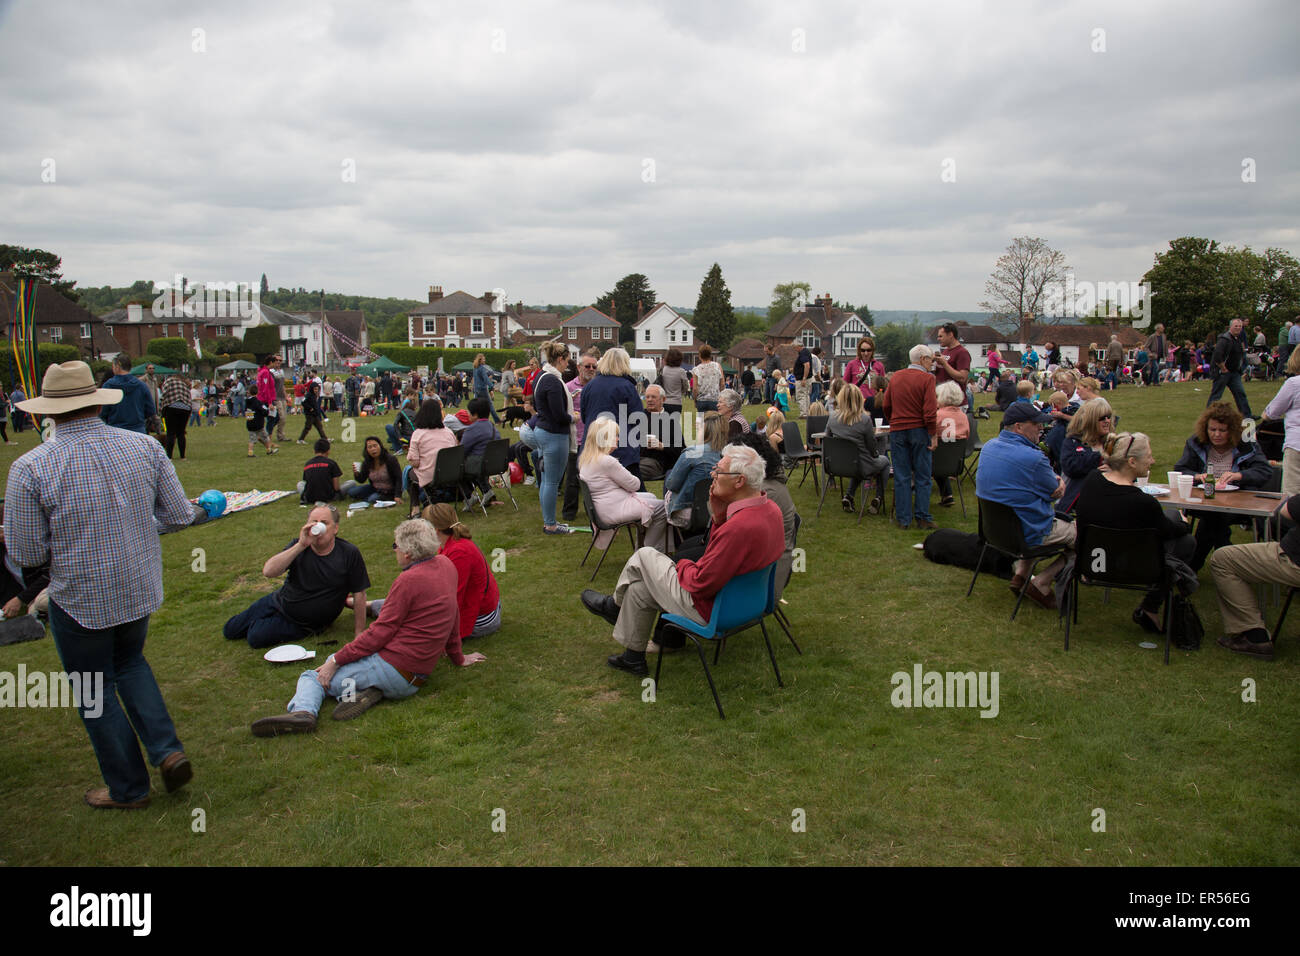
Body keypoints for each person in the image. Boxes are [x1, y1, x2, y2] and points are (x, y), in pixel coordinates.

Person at [5, 361, 196, 809]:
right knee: (129, 663)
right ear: (96, 400)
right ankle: (167, 751)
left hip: (80, 595)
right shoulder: (144, 447)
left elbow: (27, 553)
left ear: (50, 411)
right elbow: (177, 516)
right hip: (136, 584)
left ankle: (129, 788)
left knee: (94, 688)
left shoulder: (31, 466)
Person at [250, 519, 483, 734]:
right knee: (351, 667)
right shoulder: (445, 564)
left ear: (409, 553)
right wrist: (458, 657)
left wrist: (335, 661)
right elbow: (453, 614)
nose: (394, 550)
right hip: (418, 675)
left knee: (314, 676)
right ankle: (367, 691)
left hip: (396, 669)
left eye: (396, 545)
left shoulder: (408, 580)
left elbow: (379, 633)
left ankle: (303, 713)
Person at [580, 443, 785, 676]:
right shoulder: (770, 509)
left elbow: (700, 582)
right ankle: (633, 657)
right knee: (640, 588)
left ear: (739, 481)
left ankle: (614, 606)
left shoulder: (739, 527)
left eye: (718, 471)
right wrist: (718, 517)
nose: (712, 475)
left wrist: (682, 565)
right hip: (746, 604)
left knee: (645, 555)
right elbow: (719, 557)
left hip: (711, 610)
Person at [1074, 432, 1195, 633]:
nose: (1153, 461)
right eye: (1148, 456)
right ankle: (1150, 607)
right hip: (1136, 569)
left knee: (1171, 517)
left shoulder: (1092, 481)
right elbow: (1168, 532)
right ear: (1131, 461)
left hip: (1092, 564)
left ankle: (1150, 609)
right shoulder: (1144, 503)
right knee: (1186, 540)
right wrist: (1184, 523)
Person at [974, 401, 1075, 610]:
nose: (1041, 427)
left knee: (1028, 511)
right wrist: (1059, 480)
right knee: (1083, 534)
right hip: (1026, 533)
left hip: (995, 533)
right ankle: (1042, 581)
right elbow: (1054, 492)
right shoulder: (1034, 458)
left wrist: (1053, 481)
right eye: (1036, 423)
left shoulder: (989, 447)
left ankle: (1020, 576)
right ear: (1019, 427)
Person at [224, 504, 370, 649]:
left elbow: (359, 594)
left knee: (255, 637)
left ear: (335, 528)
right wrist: (301, 545)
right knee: (230, 629)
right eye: (313, 522)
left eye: (324, 523)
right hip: (279, 601)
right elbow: (268, 571)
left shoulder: (348, 553)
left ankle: (265, 622)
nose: (318, 526)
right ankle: (264, 619)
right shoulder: (299, 546)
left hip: (304, 623)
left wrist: (359, 632)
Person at [1174, 401, 1272, 570]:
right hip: (1203, 499)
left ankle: (1193, 566)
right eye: (1212, 430)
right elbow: (1180, 470)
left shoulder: (1246, 445)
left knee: (1212, 519)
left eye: (1222, 430)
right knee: (1213, 517)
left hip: (1236, 502)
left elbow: (1264, 471)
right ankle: (1229, 563)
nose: (1216, 434)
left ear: (1232, 430)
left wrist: (1239, 476)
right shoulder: (1195, 443)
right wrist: (1198, 477)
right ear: (1205, 429)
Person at [579, 418, 669, 551]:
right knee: (663, 507)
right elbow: (634, 484)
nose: (617, 439)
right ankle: (648, 550)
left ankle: (645, 546)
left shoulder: (587, 459)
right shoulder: (606, 461)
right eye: (615, 435)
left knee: (651, 497)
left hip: (602, 508)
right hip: (611, 509)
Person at [881, 345, 938, 530]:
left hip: (898, 429)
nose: (932, 362)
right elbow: (930, 411)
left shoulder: (896, 376)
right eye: (930, 359)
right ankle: (922, 517)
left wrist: (894, 421)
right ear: (922, 359)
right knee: (922, 475)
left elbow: (886, 404)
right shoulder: (928, 379)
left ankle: (903, 519)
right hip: (919, 429)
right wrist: (933, 434)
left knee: (902, 475)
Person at [580, 347, 644, 482]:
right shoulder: (627, 387)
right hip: (621, 449)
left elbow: (585, 417)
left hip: (592, 448)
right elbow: (638, 420)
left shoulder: (589, 386)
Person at [534, 342, 577, 534]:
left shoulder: (542, 376)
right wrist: (573, 417)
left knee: (546, 480)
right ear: (560, 359)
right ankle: (550, 524)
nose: (567, 365)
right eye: (566, 360)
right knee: (551, 481)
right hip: (554, 434)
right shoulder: (552, 380)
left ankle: (548, 520)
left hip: (544, 431)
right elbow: (558, 414)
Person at [826, 382, 889, 514]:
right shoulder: (864, 420)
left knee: (858, 461)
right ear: (859, 399)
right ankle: (878, 498)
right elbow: (872, 447)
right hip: (860, 464)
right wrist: (876, 454)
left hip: (838, 465)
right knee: (885, 462)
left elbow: (828, 440)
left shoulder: (832, 418)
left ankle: (849, 496)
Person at [664, 411, 726, 528]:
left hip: (690, 511)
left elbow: (672, 485)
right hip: (721, 512)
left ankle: (673, 544)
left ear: (705, 431)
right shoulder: (730, 454)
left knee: (669, 479)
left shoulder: (692, 453)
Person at [561, 349, 598, 523]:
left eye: (594, 366)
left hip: (595, 441)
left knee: (595, 480)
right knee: (573, 479)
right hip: (576, 440)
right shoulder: (568, 388)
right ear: (578, 367)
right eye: (587, 366)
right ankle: (569, 513)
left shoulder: (598, 386)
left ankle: (596, 513)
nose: (591, 369)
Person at [404, 398, 458, 516]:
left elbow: (415, 462)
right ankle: (430, 499)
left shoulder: (418, 434)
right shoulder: (449, 432)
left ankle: (415, 507)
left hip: (429, 475)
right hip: (451, 474)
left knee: (409, 473)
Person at [1059, 397, 1114, 511]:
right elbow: (1072, 467)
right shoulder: (1072, 442)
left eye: (1109, 417)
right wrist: (1101, 460)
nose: (1107, 421)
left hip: (1107, 502)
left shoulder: (1112, 442)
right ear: (1090, 420)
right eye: (1102, 418)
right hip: (1075, 506)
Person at [1264, 347, 1300, 496]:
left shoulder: (1294, 384)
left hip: (1297, 445)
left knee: (1291, 496)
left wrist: (1264, 415)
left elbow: (1272, 413)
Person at [458, 397, 502, 508]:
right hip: (495, 464)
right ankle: (487, 491)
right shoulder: (492, 427)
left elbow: (462, 451)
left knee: (454, 468)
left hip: (479, 465)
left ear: (475, 414)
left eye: (468, 412)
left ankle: (469, 496)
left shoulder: (472, 429)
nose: (467, 414)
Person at [934, 380, 970, 508]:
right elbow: (967, 435)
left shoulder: (936, 416)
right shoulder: (964, 417)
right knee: (943, 454)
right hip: (955, 463)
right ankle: (947, 494)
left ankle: (912, 484)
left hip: (934, 462)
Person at [638, 384, 685, 481]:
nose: (649, 400)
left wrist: (662, 446)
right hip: (636, 458)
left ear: (663, 400)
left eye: (653, 397)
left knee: (631, 470)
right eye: (647, 397)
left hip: (656, 463)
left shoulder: (670, 421)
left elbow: (680, 449)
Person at [1207, 318, 1253, 418]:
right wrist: (1222, 368)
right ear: (1231, 327)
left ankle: (1247, 415)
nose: (1238, 328)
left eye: (1240, 326)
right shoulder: (1224, 339)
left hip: (1234, 372)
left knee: (1240, 394)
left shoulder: (1238, 339)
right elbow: (1217, 355)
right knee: (1216, 395)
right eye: (1236, 326)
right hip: (1223, 372)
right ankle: (1208, 415)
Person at [346, 437, 402, 503]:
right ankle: (369, 497)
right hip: (374, 488)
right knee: (351, 492)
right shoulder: (367, 462)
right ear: (366, 450)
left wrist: (397, 495)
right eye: (370, 447)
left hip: (389, 490)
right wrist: (356, 473)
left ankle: (372, 498)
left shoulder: (390, 459)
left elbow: (399, 478)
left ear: (380, 446)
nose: (373, 449)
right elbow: (361, 480)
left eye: (375, 446)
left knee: (372, 499)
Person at [933, 323, 971, 399]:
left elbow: (963, 378)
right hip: (943, 399)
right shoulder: (945, 351)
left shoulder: (962, 352)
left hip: (955, 401)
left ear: (950, 335)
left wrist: (944, 364)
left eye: (941, 336)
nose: (938, 339)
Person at [299, 437, 342, 503]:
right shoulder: (332, 463)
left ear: (314, 451)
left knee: (300, 484)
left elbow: (306, 482)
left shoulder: (307, 464)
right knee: (351, 483)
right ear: (328, 451)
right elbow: (336, 487)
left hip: (310, 497)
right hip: (329, 496)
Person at [244, 392, 278, 456]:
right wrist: (268, 411)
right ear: (257, 392)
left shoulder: (247, 402)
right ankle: (269, 450)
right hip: (258, 424)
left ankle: (250, 453)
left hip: (250, 423)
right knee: (266, 437)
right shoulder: (258, 402)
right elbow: (264, 411)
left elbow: (246, 411)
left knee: (252, 439)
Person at [659, 348, 690, 418]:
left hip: (665, 402)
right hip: (677, 402)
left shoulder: (664, 370)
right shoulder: (681, 371)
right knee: (674, 426)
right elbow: (685, 386)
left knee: (665, 426)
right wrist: (680, 392)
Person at [692, 344, 723, 413]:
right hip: (714, 400)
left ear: (700, 355)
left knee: (700, 423)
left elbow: (695, 389)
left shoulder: (696, 369)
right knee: (714, 422)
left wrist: (695, 400)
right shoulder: (717, 366)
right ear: (710, 354)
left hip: (701, 401)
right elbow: (722, 384)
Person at [472, 353, 501, 423]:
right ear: (480, 360)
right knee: (490, 405)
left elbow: (475, 379)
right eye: (484, 359)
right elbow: (486, 378)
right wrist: (491, 386)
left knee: (476, 405)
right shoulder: (482, 368)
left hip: (476, 389)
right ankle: (497, 420)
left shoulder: (475, 368)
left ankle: (474, 419)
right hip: (482, 389)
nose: (485, 360)